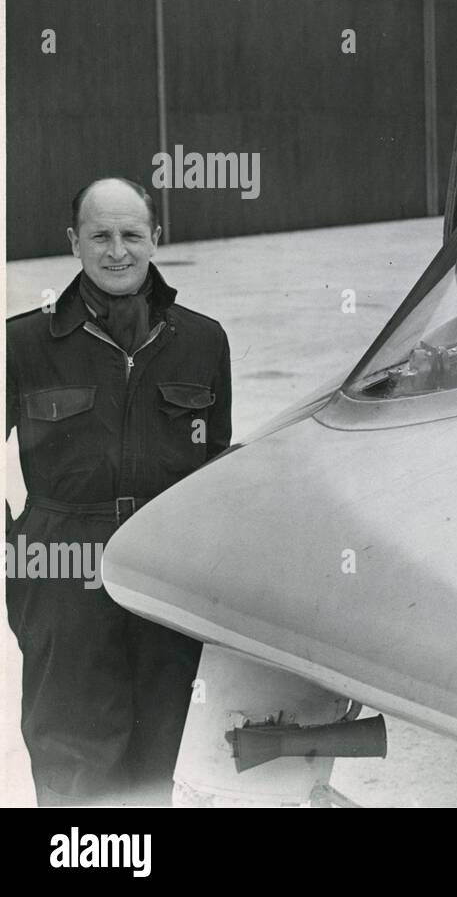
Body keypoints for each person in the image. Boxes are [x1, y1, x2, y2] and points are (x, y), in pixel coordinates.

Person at [6, 177, 232, 805]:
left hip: (164, 561)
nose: (117, 251)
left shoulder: (203, 341)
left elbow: (214, 459)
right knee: (70, 746)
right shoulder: (23, 343)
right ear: (73, 242)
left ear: (156, 238)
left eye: (132, 235)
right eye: (100, 235)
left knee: (161, 747)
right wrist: (13, 542)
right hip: (61, 562)